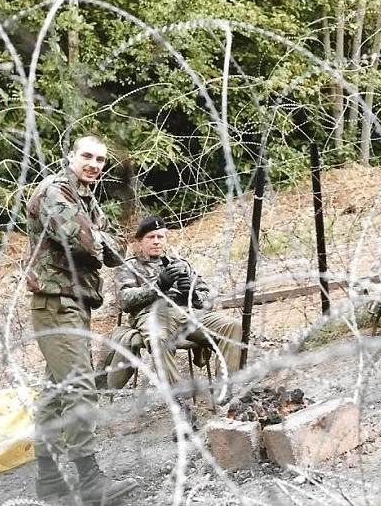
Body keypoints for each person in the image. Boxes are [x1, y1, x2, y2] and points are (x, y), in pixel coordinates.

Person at [26, 135, 138, 505]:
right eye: (86, 156)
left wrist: (102, 238)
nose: (93, 164)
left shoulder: (85, 200)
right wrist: (101, 238)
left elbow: (117, 251)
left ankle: (50, 478)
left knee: (57, 392)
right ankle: (89, 479)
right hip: (56, 301)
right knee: (79, 387)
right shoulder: (53, 192)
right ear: (70, 157)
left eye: (100, 160)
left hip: (75, 302)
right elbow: (80, 239)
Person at [115, 215, 242, 423]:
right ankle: (180, 407)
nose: (156, 241)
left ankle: (224, 391)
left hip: (186, 313)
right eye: (150, 237)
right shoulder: (129, 267)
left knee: (232, 326)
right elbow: (125, 300)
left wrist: (193, 294)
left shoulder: (180, 263)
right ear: (140, 241)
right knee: (158, 340)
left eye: (161, 236)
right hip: (153, 315)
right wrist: (158, 286)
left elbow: (207, 295)